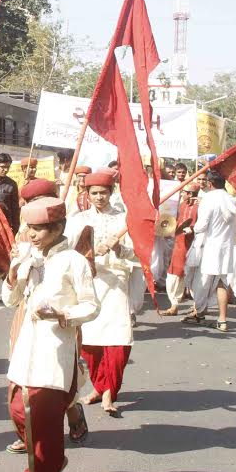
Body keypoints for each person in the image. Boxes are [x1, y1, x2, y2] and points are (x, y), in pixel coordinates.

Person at [3, 197, 100, 472]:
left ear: (58, 227)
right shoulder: (29, 256)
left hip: (54, 349)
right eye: (29, 227)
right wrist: (13, 275)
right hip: (25, 347)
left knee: (39, 416)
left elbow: (90, 305)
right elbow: (10, 299)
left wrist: (61, 313)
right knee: (18, 410)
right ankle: (53, 461)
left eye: (39, 228)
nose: (31, 234)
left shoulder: (74, 261)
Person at [67, 171, 137, 416]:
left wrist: (118, 247)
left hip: (116, 284)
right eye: (94, 193)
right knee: (90, 343)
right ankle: (99, 387)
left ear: (111, 193)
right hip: (89, 283)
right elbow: (69, 250)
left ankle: (110, 393)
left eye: (104, 193)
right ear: (87, 194)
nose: (99, 197)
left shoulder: (124, 220)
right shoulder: (77, 219)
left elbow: (135, 254)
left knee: (117, 341)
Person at [187, 172, 236, 331]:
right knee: (222, 282)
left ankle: (200, 313)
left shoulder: (209, 199)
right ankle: (222, 320)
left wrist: (191, 228)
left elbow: (201, 226)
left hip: (210, 247)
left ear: (210, 184)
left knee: (202, 281)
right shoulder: (231, 200)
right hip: (226, 247)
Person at [161, 183, 200, 316]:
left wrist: (193, 229)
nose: (181, 194)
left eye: (183, 192)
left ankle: (197, 307)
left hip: (194, 245)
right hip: (180, 243)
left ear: (190, 194)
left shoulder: (201, 206)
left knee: (194, 275)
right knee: (174, 274)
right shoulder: (182, 205)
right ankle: (174, 305)